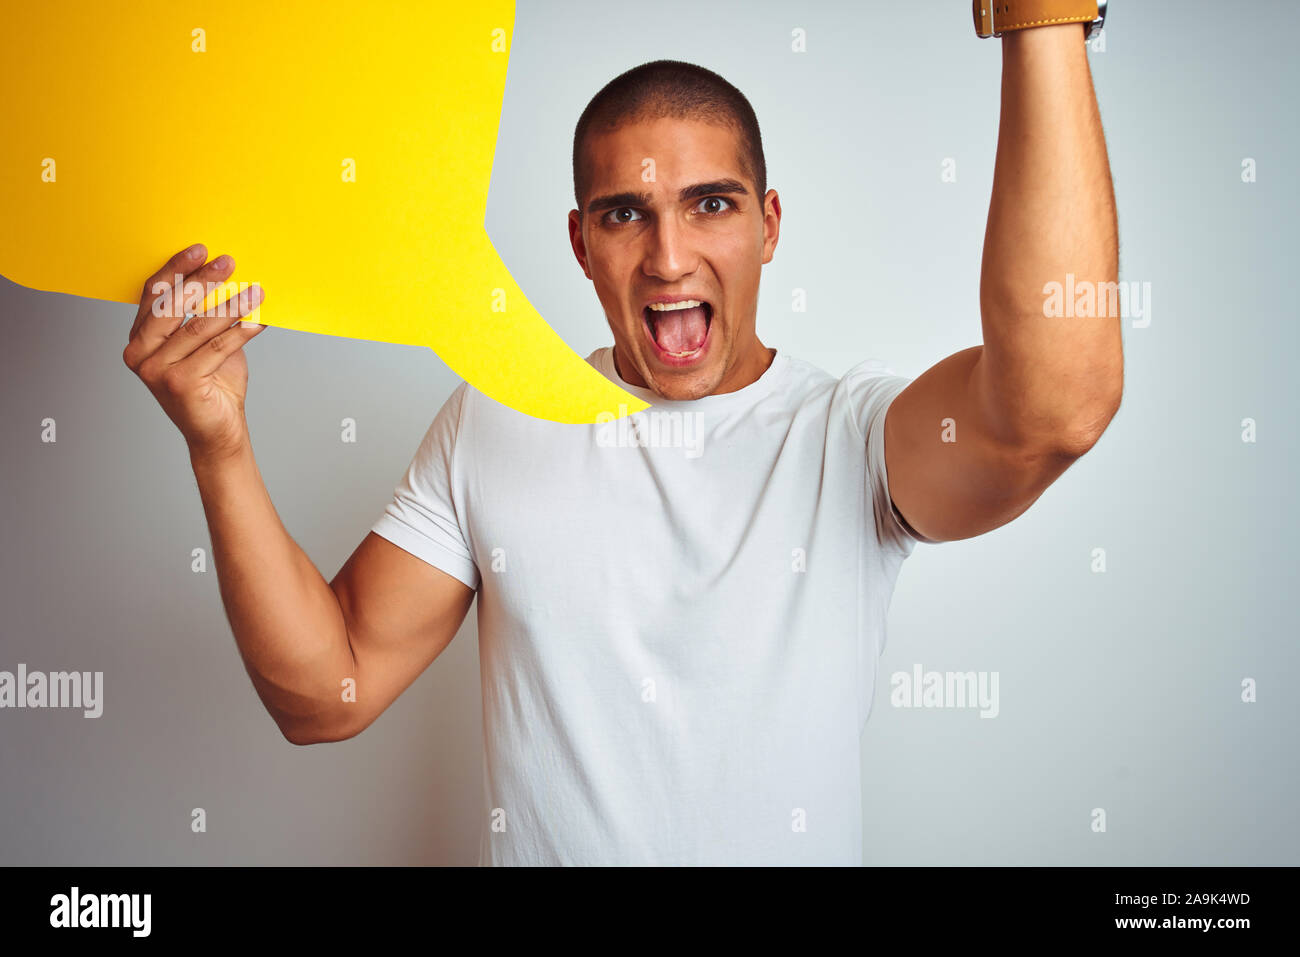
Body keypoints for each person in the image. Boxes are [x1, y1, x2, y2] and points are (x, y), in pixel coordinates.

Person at [121, 38, 1121, 865]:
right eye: (624, 214)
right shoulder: (497, 420)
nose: (670, 257)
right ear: (578, 241)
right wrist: (220, 444)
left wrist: (1044, 22)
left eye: (711, 205)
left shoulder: (849, 437)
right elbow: (325, 694)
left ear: (769, 226)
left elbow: (1055, 408)